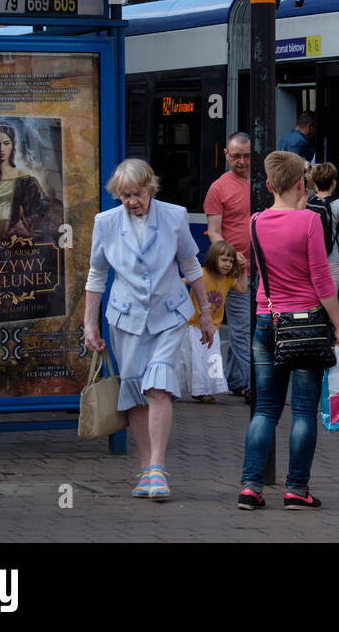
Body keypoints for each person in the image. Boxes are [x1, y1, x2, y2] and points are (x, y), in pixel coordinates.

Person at [84, 159, 215, 502]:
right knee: (135, 392)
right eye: (124, 195)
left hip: (168, 315)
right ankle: (145, 470)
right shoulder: (106, 223)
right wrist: (88, 324)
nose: (131, 202)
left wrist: (205, 313)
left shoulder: (173, 216)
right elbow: (96, 275)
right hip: (125, 319)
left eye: (137, 194)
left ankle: (158, 468)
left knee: (158, 386)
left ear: (151, 189)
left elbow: (190, 263)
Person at [238, 151, 339, 511]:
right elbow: (320, 278)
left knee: (265, 410)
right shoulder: (309, 222)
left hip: (266, 319)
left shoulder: (254, 222)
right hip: (306, 324)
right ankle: (296, 489)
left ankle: (251, 487)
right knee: (303, 412)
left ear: (269, 185)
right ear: (301, 183)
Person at [206, 132, 252, 397]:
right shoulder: (219, 188)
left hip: (263, 267)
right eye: (236, 157)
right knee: (243, 327)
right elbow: (214, 231)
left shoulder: (263, 183)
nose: (242, 162)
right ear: (226, 154)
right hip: (234, 271)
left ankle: (237, 379)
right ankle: (251, 384)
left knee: (246, 326)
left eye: (246, 156)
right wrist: (232, 255)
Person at [177, 241, 242, 403]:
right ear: (213, 259)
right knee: (190, 358)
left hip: (213, 327)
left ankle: (203, 390)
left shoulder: (228, 279)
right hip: (193, 325)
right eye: (224, 260)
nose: (228, 264)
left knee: (210, 359)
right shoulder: (201, 273)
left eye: (231, 261)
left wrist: (244, 270)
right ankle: (190, 390)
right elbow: (182, 282)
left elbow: (243, 290)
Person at [305, 162, 339, 291]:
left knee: (313, 301)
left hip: (311, 260)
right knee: (330, 299)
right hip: (332, 259)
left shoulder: (308, 203)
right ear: (333, 183)